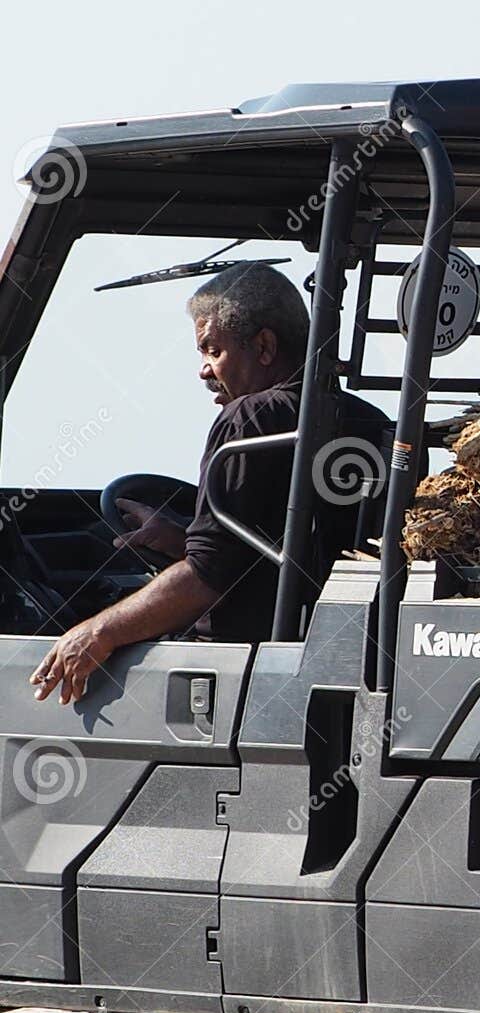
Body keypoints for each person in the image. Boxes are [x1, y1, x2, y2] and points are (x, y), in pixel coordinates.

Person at [31, 264, 389, 705]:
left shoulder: (250, 418)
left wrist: (96, 631)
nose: (203, 370)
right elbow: (289, 553)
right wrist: (183, 540)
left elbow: (208, 578)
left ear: (264, 346)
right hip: (337, 654)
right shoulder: (374, 424)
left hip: (243, 670)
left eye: (212, 350)